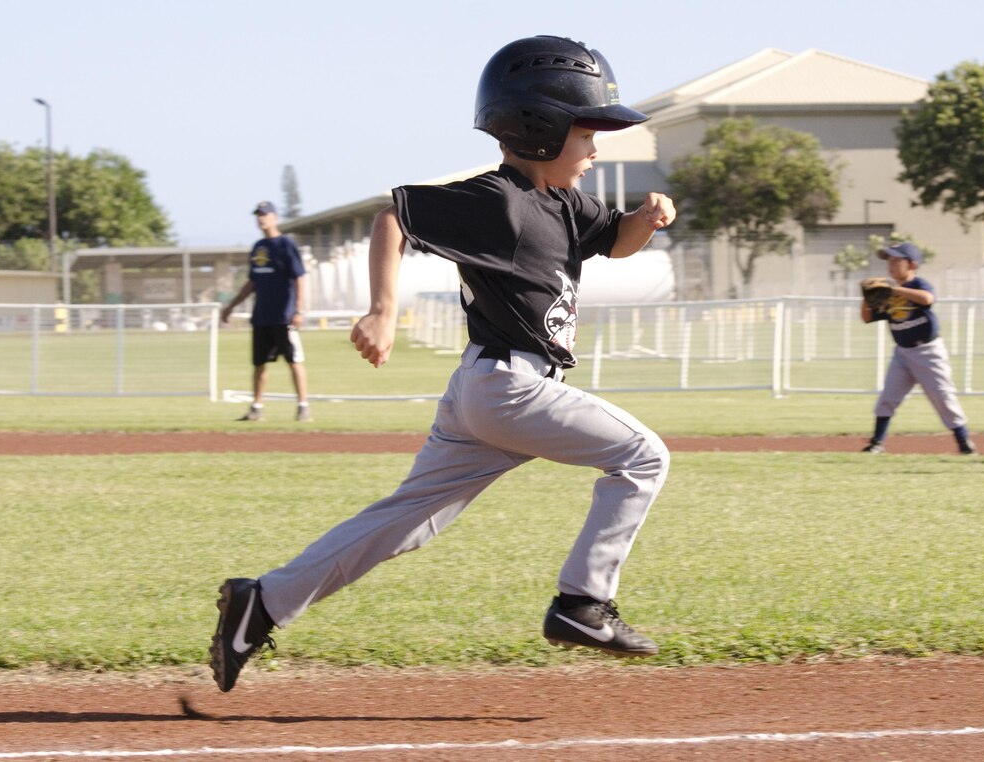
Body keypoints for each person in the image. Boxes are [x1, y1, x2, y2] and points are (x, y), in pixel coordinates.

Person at [208, 35, 675, 692]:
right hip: (509, 390)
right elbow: (392, 220)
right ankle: (581, 603)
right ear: (539, 128)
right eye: (586, 132)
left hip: (485, 394)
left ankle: (263, 603)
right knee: (643, 457)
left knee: (406, 523)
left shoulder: (564, 204)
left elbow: (616, 241)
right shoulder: (498, 200)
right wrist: (379, 310)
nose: (596, 150)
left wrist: (647, 219)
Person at [860, 242, 976, 455]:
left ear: (912, 264)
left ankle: (964, 443)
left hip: (929, 352)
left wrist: (893, 289)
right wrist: (867, 299)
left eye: (896, 260)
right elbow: (867, 318)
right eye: (889, 261)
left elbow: (927, 299)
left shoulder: (918, 284)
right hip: (902, 353)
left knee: (943, 397)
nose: (891, 265)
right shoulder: (886, 294)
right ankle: (877, 443)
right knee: (888, 397)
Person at [220, 201, 311, 422]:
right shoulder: (258, 247)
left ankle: (303, 407)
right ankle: (256, 408)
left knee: (294, 360)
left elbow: (299, 277)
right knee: (259, 364)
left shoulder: (286, 245)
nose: (261, 218)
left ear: (274, 217)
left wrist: (298, 310)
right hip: (262, 316)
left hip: (283, 316)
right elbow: (252, 282)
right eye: (258, 215)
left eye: (265, 214)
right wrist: (231, 306)